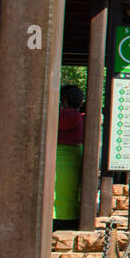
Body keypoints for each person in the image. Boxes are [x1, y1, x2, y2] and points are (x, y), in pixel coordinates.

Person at [53, 84, 84, 230]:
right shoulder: (82, 119)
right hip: (74, 158)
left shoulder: (54, 116)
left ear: (63, 101)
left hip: (53, 158)